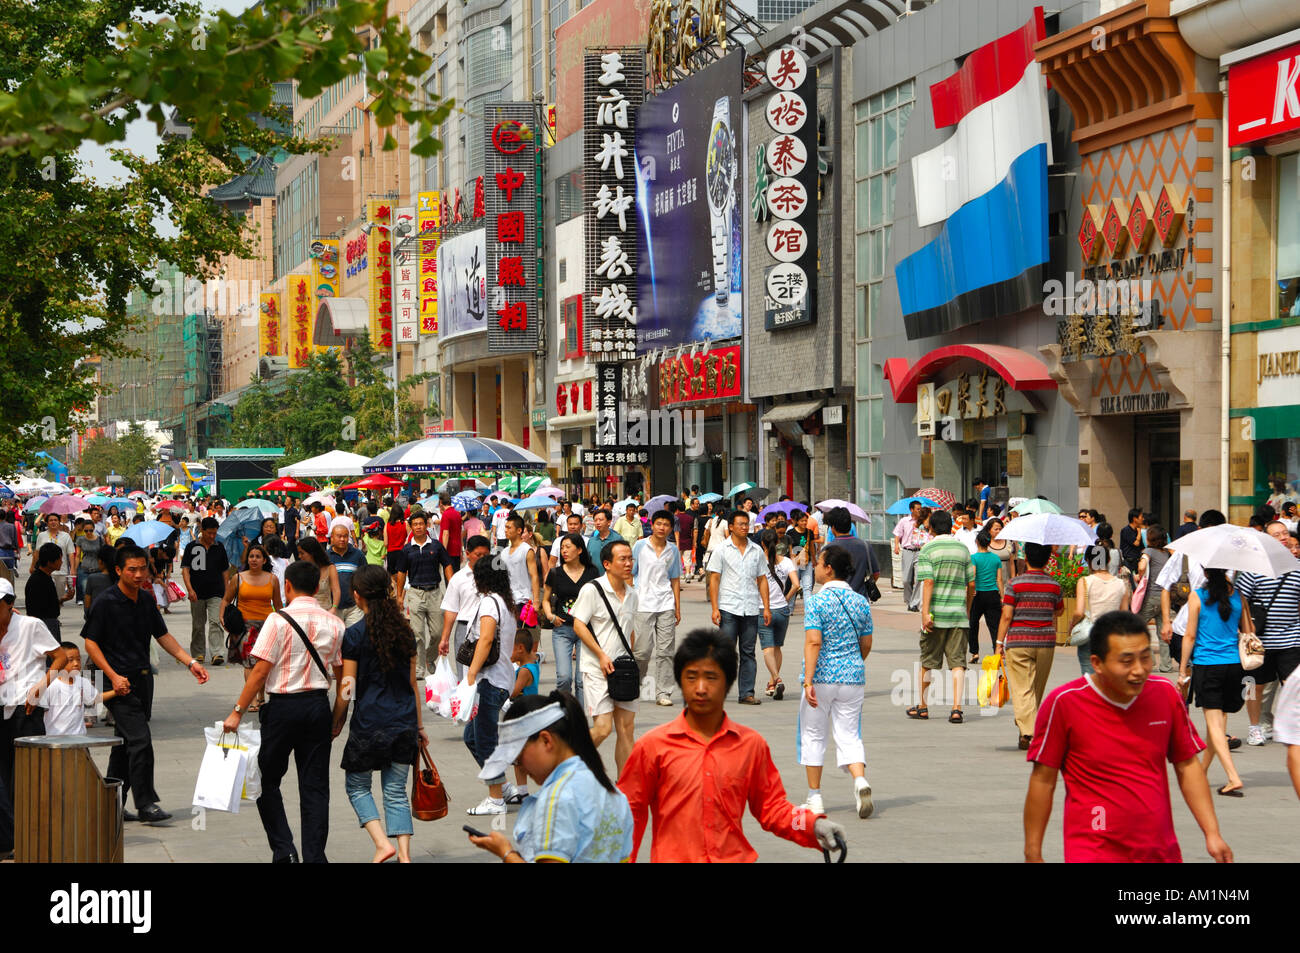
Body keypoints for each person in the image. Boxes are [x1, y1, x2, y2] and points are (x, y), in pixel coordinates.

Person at [618, 630, 846, 862]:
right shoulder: (653, 746)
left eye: (711, 677)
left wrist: (812, 825)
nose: (700, 688)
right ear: (679, 681)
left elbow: (772, 807)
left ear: (727, 681)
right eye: (691, 677)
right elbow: (629, 813)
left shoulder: (750, 745)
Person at [1024, 610, 1231, 863]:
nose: (1139, 670)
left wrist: (1212, 832)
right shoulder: (1064, 703)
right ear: (1097, 663)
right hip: (1093, 850)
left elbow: (1187, 766)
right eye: (1126, 661)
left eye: (1145, 658)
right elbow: (1043, 781)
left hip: (1159, 850)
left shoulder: (1165, 695)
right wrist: (1033, 852)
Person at [222, 558, 344, 863]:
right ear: (317, 588)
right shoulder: (335, 623)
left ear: (286, 586)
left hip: (283, 708)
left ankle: (284, 848)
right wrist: (339, 716)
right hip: (318, 706)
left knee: (266, 778)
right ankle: (315, 856)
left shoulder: (277, 621)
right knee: (315, 787)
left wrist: (237, 711)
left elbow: (260, 670)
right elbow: (345, 678)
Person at [83, 545, 210, 824]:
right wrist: (112, 676)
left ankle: (109, 803)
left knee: (125, 744)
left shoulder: (145, 599)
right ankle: (146, 802)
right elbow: (90, 642)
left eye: (143, 568)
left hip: (142, 679)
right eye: (132, 569)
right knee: (141, 741)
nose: (139, 574)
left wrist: (190, 663)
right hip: (119, 684)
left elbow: (162, 635)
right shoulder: (106, 602)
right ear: (119, 570)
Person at [466, 691, 634, 863]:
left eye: (519, 755)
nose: (519, 765)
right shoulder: (613, 793)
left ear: (546, 740)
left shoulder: (557, 799)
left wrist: (506, 852)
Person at [330, 565, 423, 863]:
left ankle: (382, 844)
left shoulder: (355, 634)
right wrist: (419, 726)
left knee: (357, 786)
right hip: (404, 720)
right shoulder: (405, 631)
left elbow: (347, 685)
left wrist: (338, 719)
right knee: (395, 790)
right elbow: (412, 684)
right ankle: (405, 857)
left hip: (369, 723)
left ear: (357, 597)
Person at [799, 547, 873, 818]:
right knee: (849, 734)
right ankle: (860, 781)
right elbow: (866, 643)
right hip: (853, 676)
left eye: (818, 563)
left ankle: (814, 797)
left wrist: (808, 681)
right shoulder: (860, 601)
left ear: (828, 568)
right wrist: (853, 662)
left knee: (814, 735)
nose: (816, 568)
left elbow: (813, 641)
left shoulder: (817, 602)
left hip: (821, 677)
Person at [0, 578, 70, 855]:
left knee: (27, 777)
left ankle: (30, 837)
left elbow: (61, 657)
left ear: (8, 604)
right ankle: (8, 841)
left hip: (25, 707)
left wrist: (41, 686)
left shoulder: (30, 626)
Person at [1180, 568, 1251, 797]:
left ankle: (1232, 777)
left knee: (1214, 725)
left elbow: (1190, 635)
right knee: (1217, 726)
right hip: (1234, 667)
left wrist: (1182, 669)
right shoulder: (1238, 595)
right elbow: (1249, 631)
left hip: (1208, 665)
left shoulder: (1197, 596)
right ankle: (1202, 771)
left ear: (1205, 572)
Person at [457, 555, 519, 817]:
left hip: (489, 680)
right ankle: (503, 786)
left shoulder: (489, 604)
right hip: (501, 678)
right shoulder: (505, 602)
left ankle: (495, 799)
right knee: (472, 736)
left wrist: (471, 674)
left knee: (483, 740)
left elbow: (485, 640)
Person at [571, 540, 639, 775]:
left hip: (623, 671)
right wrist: (600, 655)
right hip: (596, 668)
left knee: (626, 728)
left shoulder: (632, 594)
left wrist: (631, 663)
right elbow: (578, 624)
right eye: (623, 559)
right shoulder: (592, 589)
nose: (629, 563)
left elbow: (629, 631)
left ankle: (626, 787)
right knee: (602, 728)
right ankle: (569, 763)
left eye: (630, 558)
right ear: (607, 564)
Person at [1235, 521, 1300, 746]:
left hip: (1291, 639)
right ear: (1266, 540)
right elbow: (1240, 598)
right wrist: (1244, 628)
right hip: (1259, 640)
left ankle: (1292, 728)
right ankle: (1255, 727)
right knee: (1253, 685)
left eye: (1284, 533)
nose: (1283, 537)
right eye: (1276, 534)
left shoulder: (1297, 567)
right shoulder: (1255, 569)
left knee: (1294, 684)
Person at [996, 542, 1064, 750]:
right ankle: (1025, 732)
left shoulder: (1014, 584)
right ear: (1047, 560)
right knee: (1035, 688)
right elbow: (1059, 611)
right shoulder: (1054, 585)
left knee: (1022, 689)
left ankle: (1029, 731)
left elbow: (1007, 615)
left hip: (1018, 642)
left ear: (1026, 558)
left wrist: (999, 642)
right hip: (1045, 642)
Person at [911, 509, 974, 724]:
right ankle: (956, 709)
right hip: (958, 615)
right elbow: (971, 583)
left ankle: (922, 706)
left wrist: (925, 613)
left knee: (928, 661)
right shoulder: (963, 549)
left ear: (931, 527)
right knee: (958, 663)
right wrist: (967, 608)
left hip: (935, 615)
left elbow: (927, 581)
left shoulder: (928, 548)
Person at [707, 510, 770, 705]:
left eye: (746, 524)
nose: (744, 527)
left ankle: (747, 693)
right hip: (728, 608)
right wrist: (715, 607)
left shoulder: (756, 550)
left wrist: (766, 607)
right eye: (740, 524)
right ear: (731, 527)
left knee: (748, 652)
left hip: (751, 608)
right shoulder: (722, 549)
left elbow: (762, 580)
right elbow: (714, 579)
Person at [222, 542, 283, 712]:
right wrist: (222, 618)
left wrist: (284, 625)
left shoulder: (272, 579)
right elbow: (226, 599)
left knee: (261, 664)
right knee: (249, 664)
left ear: (264, 560)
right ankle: (255, 698)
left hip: (267, 625)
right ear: (247, 559)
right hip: (244, 627)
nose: (254, 559)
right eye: (251, 556)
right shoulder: (238, 578)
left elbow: (278, 605)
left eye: (258, 557)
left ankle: (260, 697)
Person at [392, 512, 452, 680]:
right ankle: (419, 667)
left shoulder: (436, 546)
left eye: (421, 524)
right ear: (411, 527)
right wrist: (399, 596)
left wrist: (453, 586)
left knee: (438, 633)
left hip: (434, 593)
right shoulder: (406, 550)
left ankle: (429, 657)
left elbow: (447, 565)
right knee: (418, 633)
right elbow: (401, 573)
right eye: (415, 524)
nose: (418, 527)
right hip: (415, 594)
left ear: (426, 525)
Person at [542, 531, 599, 706]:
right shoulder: (555, 573)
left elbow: (598, 599)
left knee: (582, 680)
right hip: (562, 629)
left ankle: (578, 720)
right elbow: (545, 600)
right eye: (562, 548)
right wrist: (551, 616)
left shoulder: (592, 572)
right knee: (564, 677)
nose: (564, 551)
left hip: (586, 630)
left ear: (580, 550)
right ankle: (564, 715)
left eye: (568, 547)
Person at [631, 511, 681, 707]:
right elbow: (630, 573)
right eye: (658, 523)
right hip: (642, 603)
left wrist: (677, 606)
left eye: (666, 524)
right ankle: (637, 683)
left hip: (666, 603)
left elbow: (675, 578)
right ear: (652, 525)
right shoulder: (640, 546)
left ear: (670, 528)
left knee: (666, 650)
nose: (662, 527)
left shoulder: (673, 550)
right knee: (642, 651)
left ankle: (663, 691)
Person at [1069, 544, 1128, 675]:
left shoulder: (1084, 581)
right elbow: (1125, 614)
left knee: (1089, 679)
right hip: (1113, 636)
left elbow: (1079, 611)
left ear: (1089, 562)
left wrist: (1072, 624)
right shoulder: (1121, 583)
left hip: (1091, 636)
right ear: (1108, 560)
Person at [438, 534, 492, 676]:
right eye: (478, 555)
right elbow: (451, 610)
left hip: (490, 628)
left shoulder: (496, 577)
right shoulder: (458, 579)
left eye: (485, 555)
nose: (482, 558)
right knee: (465, 674)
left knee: (490, 674)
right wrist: (445, 639)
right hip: (465, 630)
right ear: (468, 554)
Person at [38, 642, 115, 737]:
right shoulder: (50, 685)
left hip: (79, 738)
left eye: (78, 659)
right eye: (70, 660)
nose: (76, 664)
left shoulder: (82, 682)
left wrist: (116, 692)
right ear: (58, 662)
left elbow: (95, 698)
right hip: (54, 739)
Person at [181, 516, 230, 665]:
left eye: (214, 533)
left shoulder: (219, 547)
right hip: (197, 592)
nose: (212, 536)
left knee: (216, 622)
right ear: (202, 530)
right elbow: (185, 570)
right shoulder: (191, 547)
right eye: (209, 533)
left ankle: (217, 653)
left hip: (216, 592)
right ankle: (198, 653)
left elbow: (225, 571)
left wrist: (227, 593)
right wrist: (190, 589)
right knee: (198, 624)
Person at [758, 527, 800, 699]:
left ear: (762, 544)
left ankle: (776, 678)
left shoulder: (757, 562)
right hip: (782, 610)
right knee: (777, 647)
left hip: (763, 609)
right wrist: (785, 598)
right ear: (778, 542)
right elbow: (796, 585)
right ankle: (772, 683)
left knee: (767, 649)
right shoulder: (787, 562)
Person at [1134, 525, 1173, 672]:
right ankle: (1166, 665)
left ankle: (1150, 660)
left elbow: (1142, 565)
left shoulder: (1148, 551)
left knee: (1138, 627)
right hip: (1165, 597)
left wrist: (1140, 574)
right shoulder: (1166, 554)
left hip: (1150, 597)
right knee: (1163, 632)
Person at [500, 512, 541, 651]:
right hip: (508, 600)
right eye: (505, 527)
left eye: (509, 527)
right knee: (510, 638)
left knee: (523, 640)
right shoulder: (504, 552)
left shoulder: (526, 550)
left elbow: (534, 576)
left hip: (524, 600)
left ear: (519, 530)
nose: (506, 530)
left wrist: (536, 600)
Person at [821, 506, 880, 597]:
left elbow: (822, 577)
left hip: (835, 599)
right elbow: (876, 574)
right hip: (860, 598)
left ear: (832, 528)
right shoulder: (865, 546)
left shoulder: (828, 549)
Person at [25, 542, 73, 640]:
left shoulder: (47, 577)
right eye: (59, 559)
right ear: (49, 562)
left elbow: (48, 605)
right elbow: (34, 611)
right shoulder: (37, 581)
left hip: (49, 624)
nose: (62, 562)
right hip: (43, 628)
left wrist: (63, 599)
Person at [968, 530, 1003, 661]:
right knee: (995, 625)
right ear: (989, 543)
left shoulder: (974, 558)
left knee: (973, 623)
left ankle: (974, 652)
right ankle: (997, 652)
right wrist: (1002, 596)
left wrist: (972, 589)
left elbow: (973, 575)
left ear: (976, 542)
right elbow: (999, 579)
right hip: (993, 593)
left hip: (978, 594)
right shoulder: (995, 558)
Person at [328, 522, 367, 627]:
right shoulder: (326, 557)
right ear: (332, 537)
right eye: (339, 536)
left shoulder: (357, 554)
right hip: (333, 608)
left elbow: (365, 577)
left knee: (355, 637)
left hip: (354, 607)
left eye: (345, 536)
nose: (342, 539)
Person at [892, 500, 925, 610]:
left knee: (919, 578)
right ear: (911, 510)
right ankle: (909, 600)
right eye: (918, 509)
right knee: (906, 580)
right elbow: (897, 534)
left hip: (920, 551)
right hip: (907, 551)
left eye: (921, 509)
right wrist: (896, 546)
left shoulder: (923, 521)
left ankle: (914, 603)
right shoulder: (904, 521)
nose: (920, 511)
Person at [1118, 507, 1144, 573]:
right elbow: (1136, 543)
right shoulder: (1126, 530)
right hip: (1128, 562)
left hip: (1137, 561)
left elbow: (1141, 547)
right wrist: (1139, 532)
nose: (1143, 519)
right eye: (1141, 517)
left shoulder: (1137, 530)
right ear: (1135, 519)